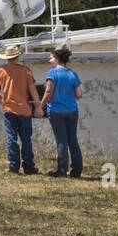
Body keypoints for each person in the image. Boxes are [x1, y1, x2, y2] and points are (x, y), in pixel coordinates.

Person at [0, 45, 42, 175]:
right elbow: (33, 91)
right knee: (26, 139)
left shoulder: (0, 72)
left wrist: (3, 103)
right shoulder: (26, 71)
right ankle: (29, 167)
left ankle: (13, 166)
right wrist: (38, 106)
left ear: (7, 58)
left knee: (11, 138)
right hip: (24, 110)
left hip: (9, 109)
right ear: (17, 57)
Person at [39, 46, 83, 178]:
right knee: (72, 140)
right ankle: (76, 170)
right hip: (72, 110)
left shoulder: (52, 73)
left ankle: (62, 170)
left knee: (61, 141)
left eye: (51, 58)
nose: (50, 60)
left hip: (57, 111)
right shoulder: (72, 74)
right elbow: (79, 94)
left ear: (57, 59)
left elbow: (48, 92)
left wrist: (41, 106)